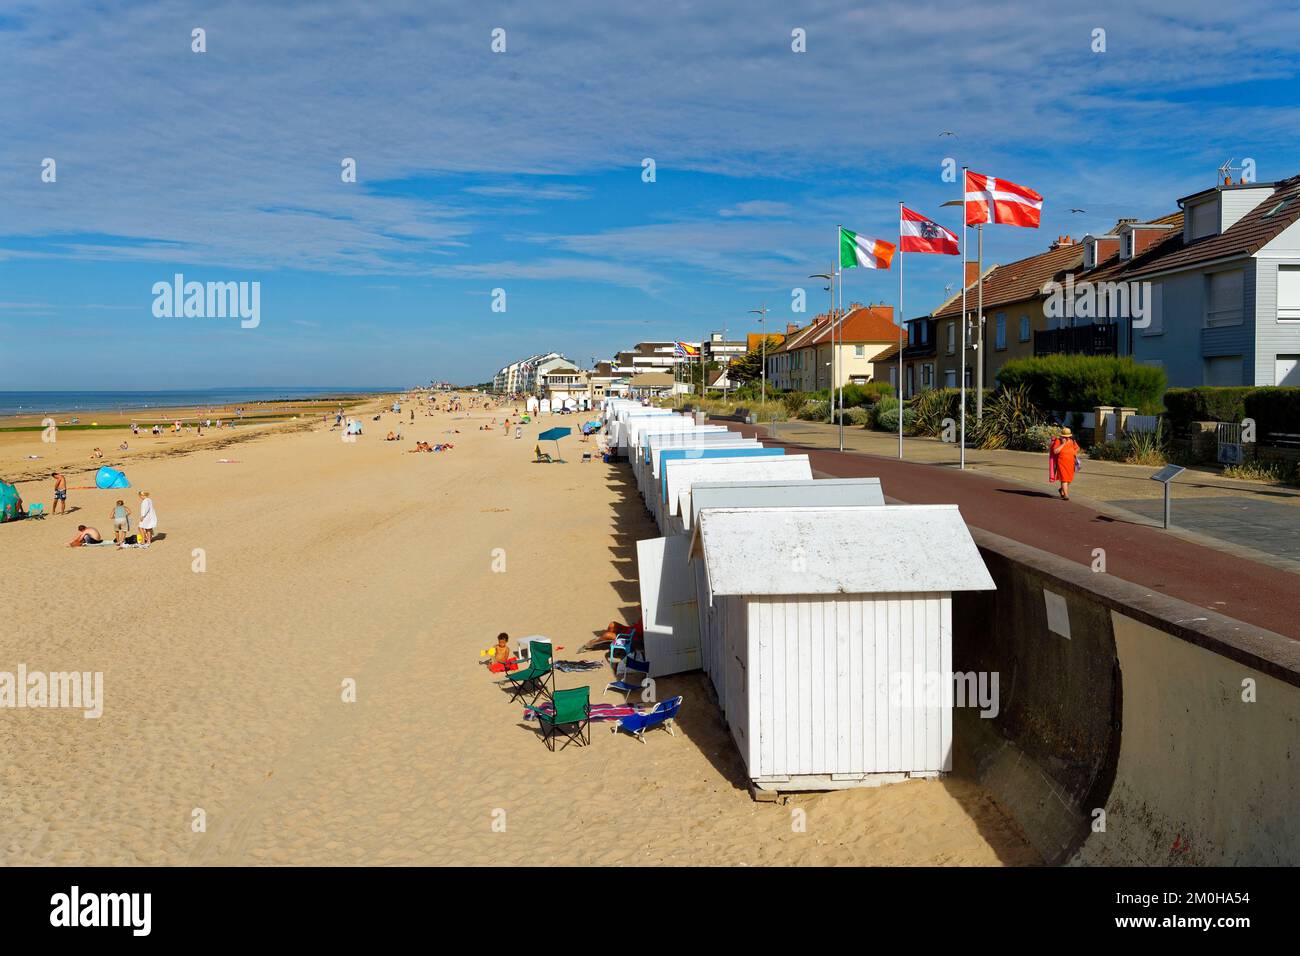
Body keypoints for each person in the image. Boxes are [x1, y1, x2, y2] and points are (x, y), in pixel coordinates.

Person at [1049, 428, 1081, 501]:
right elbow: (1055, 451)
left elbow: (1077, 448)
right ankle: (1066, 495)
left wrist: (1074, 452)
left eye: (1068, 436)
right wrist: (1063, 444)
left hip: (1071, 463)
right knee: (1064, 479)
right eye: (1065, 436)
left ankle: (1061, 490)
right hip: (1061, 462)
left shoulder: (1072, 440)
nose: (1067, 438)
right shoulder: (1058, 441)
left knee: (1069, 479)